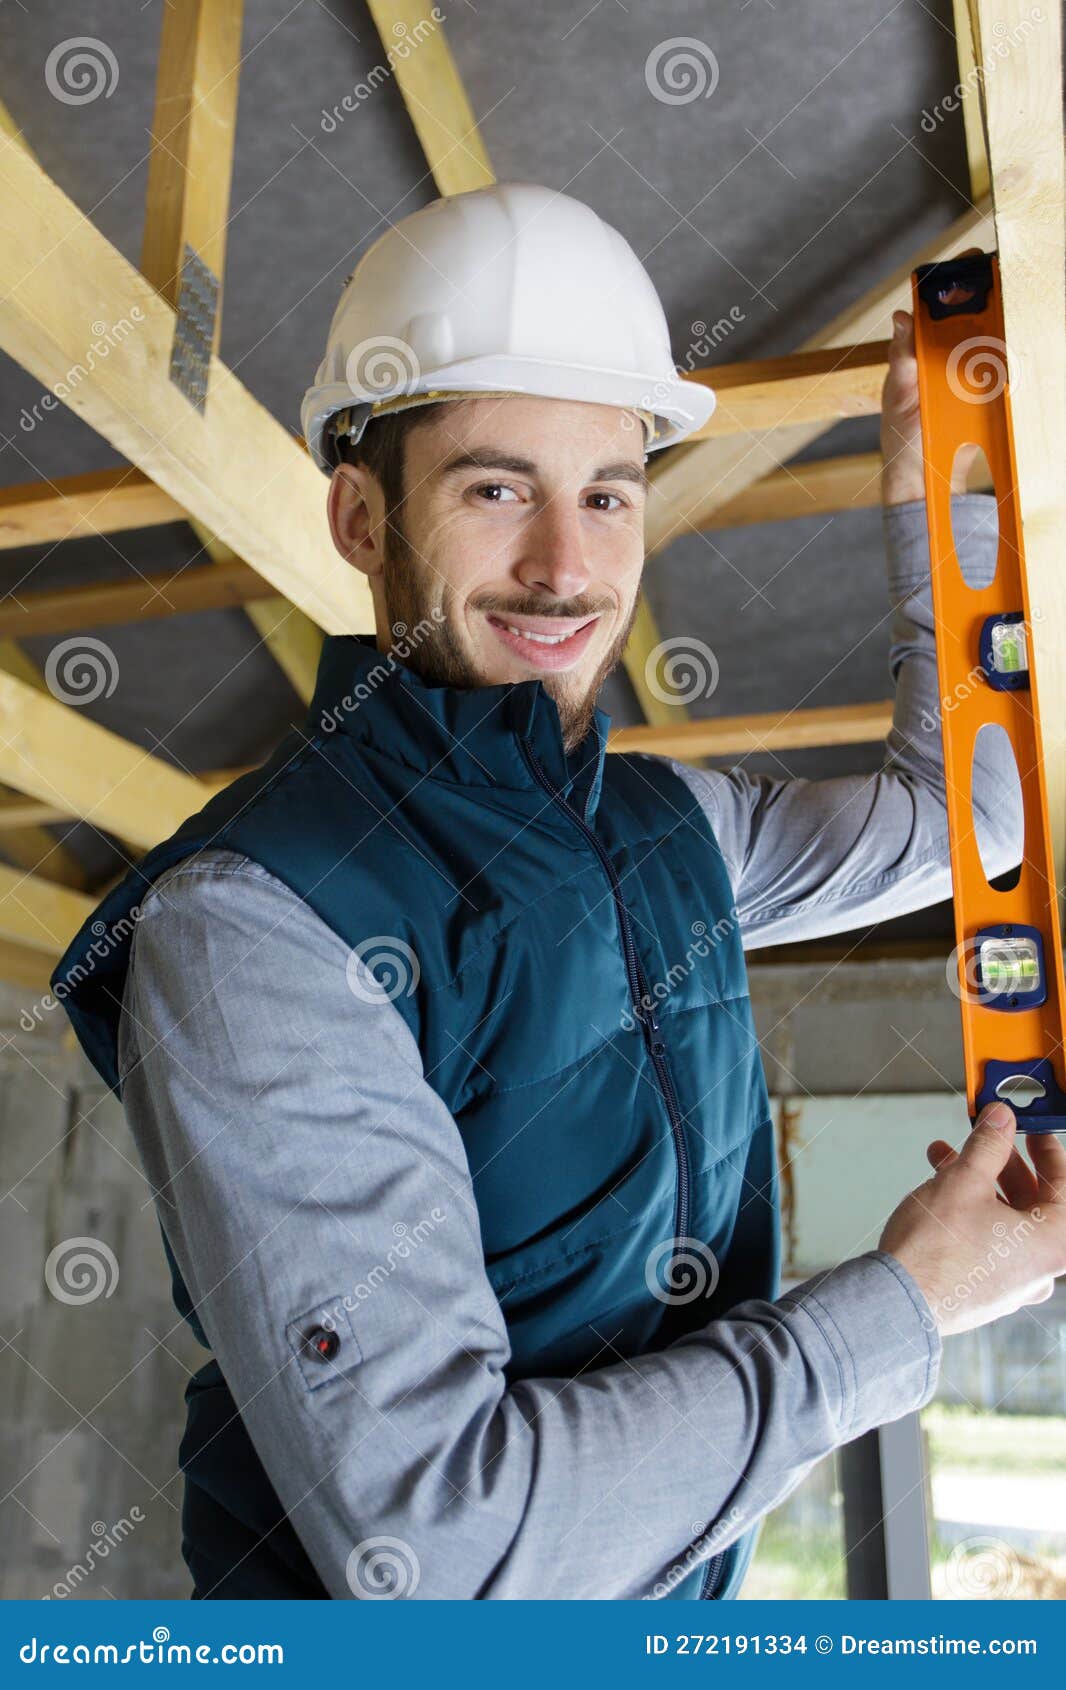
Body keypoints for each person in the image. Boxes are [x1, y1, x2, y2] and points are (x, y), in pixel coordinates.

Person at [52, 184, 1065, 1603]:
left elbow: (965, 825)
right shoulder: (254, 924)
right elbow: (455, 1558)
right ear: (358, 517)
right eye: (492, 488)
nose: (564, 564)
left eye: (605, 493)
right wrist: (914, 1305)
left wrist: (942, 496)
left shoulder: (663, 827)